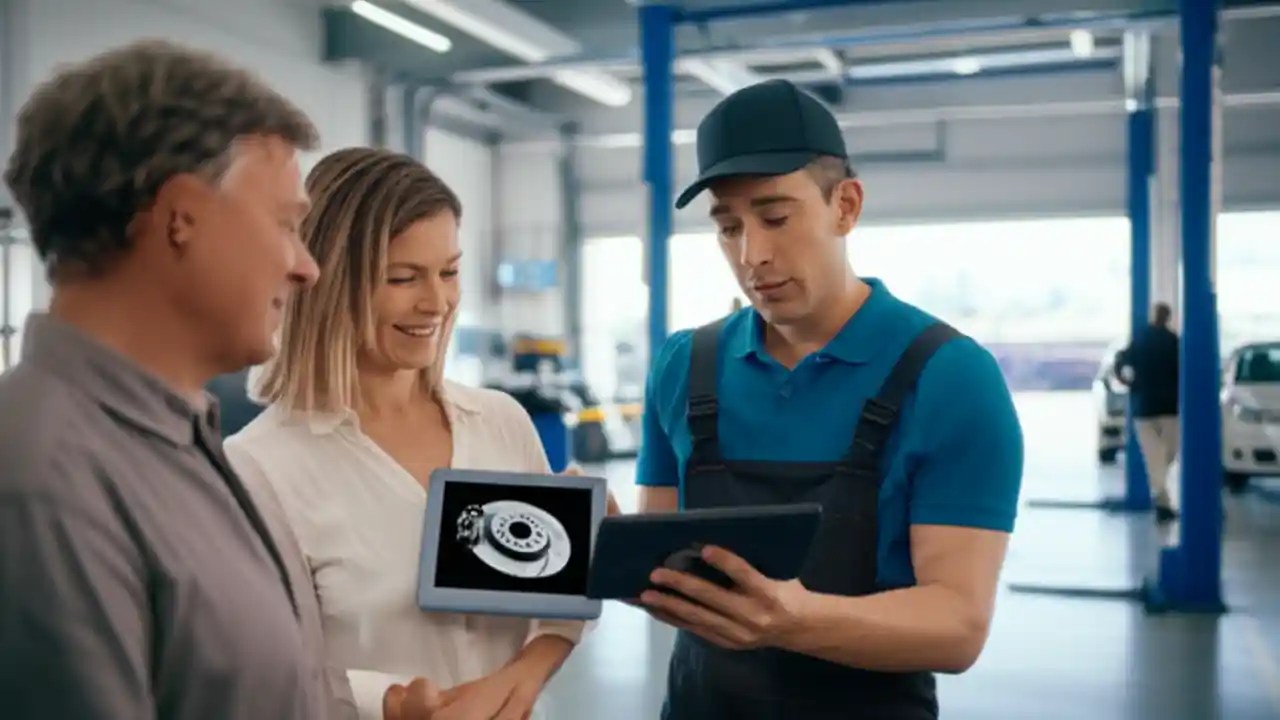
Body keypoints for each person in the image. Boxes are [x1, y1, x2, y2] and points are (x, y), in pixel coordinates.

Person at [632, 79, 1025, 719]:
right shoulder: (682, 366)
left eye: (776, 217)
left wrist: (791, 620)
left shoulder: (950, 378)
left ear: (845, 206)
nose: (752, 254)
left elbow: (957, 625)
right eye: (728, 227)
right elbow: (666, 570)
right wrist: (606, 553)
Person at [0, 40, 352, 718]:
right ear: (181, 216)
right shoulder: (43, 483)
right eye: (285, 225)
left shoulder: (171, 436)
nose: (306, 268)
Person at [223, 147, 588, 720]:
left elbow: (555, 605)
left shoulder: (499, 423)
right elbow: (258, 668)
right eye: (402, 278)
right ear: (327, 282)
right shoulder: (259, 467)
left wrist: (523, 674)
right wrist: (391, 703)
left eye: (449, 271)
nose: (437, 302)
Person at [1115, 302, 1180, 520]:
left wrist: (1125, 381)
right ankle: (1162, 501)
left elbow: (1120, 359)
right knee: (1167, 454)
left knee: (1156, 457)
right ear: (1168, 317)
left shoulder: (1140, 340)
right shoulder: (1174, 342)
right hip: (1169, 408)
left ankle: (1161, 498)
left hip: (1144, 407)